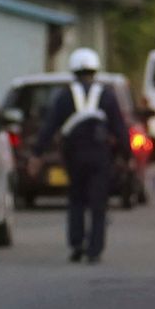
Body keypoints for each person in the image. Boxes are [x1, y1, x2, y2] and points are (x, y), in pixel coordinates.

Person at [33, 46, 129, 265]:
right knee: (98, 203)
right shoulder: (106, 95)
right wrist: (127, 154)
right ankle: (94, 249)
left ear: (73, 70)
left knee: (76, 199)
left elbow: (49, 127)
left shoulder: (64, 96)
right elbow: (119, 127)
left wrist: (37, 153)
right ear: (95, 70)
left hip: (74, 155)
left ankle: (76, 245)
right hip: (100, 155)